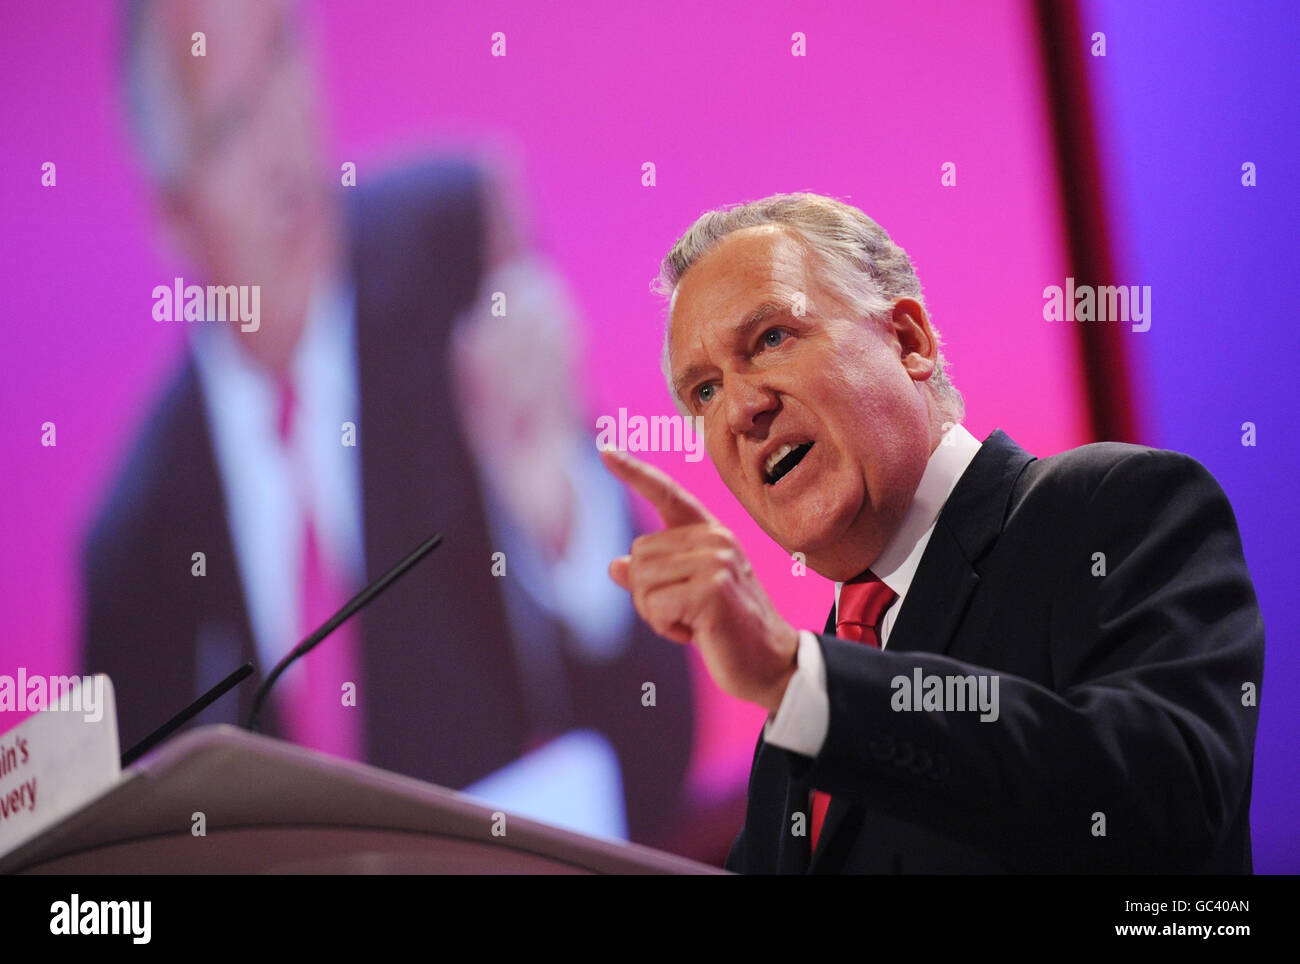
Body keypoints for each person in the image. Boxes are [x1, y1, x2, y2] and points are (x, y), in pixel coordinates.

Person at [82, 0, 692, 844]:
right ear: (172, 216)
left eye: (282, 61)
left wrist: (563, 523)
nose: (282, 147)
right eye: (227, 124)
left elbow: (657, 761)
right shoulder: (134, 549)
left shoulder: (457, 259)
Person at [601, 192, 1264, 872]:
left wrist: (794, 677)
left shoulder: (1111, 510)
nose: (741, 408)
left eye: (772, 338)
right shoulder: (791, 729)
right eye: (703, 392)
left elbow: (1164, 803)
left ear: (910, 340)